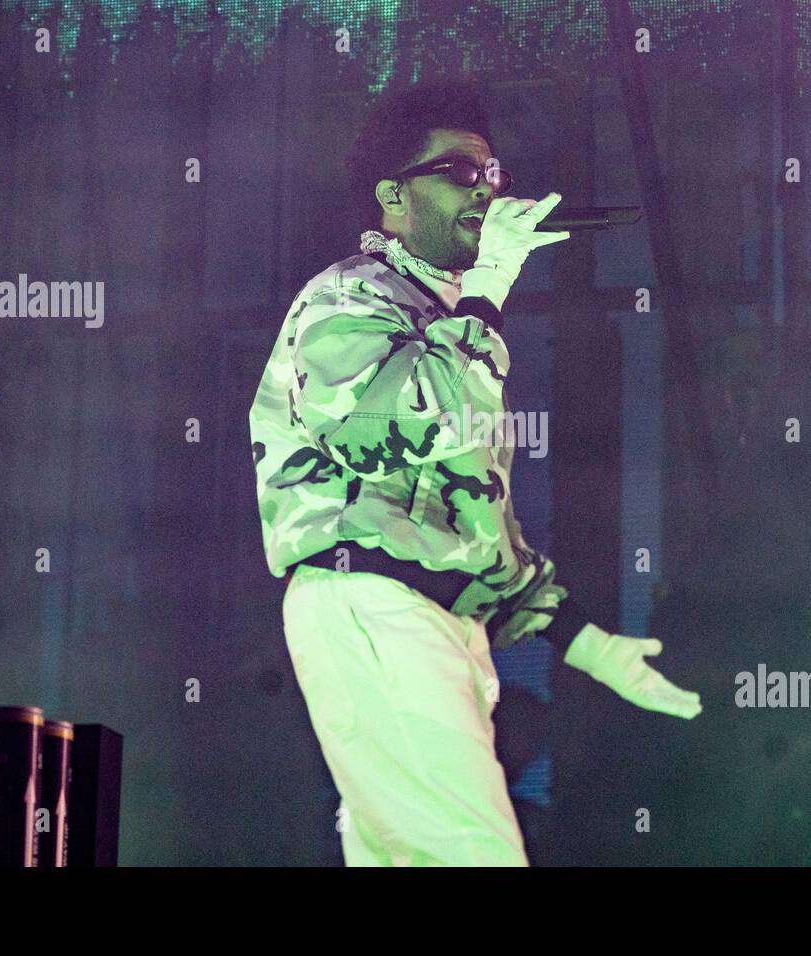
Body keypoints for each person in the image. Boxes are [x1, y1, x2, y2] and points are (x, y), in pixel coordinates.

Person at [248, 76, 701, 867]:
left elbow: (474, 526)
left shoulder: (450, 328)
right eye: (459, 172)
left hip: (441, 627)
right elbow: (401, 424)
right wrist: (488, 294)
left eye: (493, 175)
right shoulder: (347, 299)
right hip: (374, 606)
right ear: (393, 195)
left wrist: (589, 644)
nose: (485, 191)